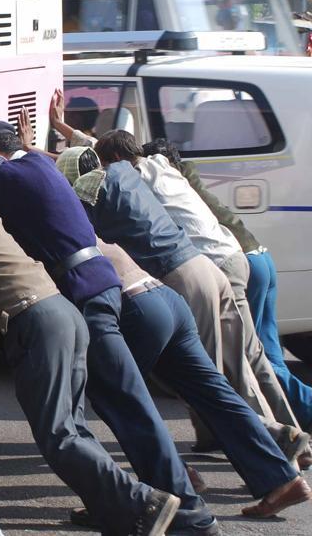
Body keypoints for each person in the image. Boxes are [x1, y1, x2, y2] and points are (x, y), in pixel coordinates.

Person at [0, 121, 217, 535]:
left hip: (82, 292)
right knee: (105, 406)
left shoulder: (5, 174)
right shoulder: (38, 163)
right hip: (100, 285)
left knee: (127, 405)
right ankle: (117, 504)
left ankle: (190, 513)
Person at [0, 157, 181, 536]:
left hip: (33, 323)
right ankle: (116, 513)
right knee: (73, 428)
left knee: (58, 437)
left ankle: (143, 503)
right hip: (63, 312)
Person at [56, 147, 311, 520]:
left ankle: (167, 488)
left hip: (169, 284)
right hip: (201, 275)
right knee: (216, 384)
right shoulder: (125, 173)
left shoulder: (86, 199)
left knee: (129, 398)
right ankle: (278, 476)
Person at [94, 130, 306, 453]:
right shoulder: (161, 163)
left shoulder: (133, 178)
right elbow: (113, 148)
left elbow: (104, 163)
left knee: (219, 369)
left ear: (119, 161)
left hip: (211, 266)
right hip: (234, 258)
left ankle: (275, 444)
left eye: (108, 164)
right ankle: (271, 439)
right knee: (250, 358)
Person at [143, 138, 312, 432]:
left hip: (233, 265)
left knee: (249, 357)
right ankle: (287, 423)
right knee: (266, 356)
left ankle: (285, 430)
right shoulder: (183, 175)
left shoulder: (162, 181)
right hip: (258, 257)